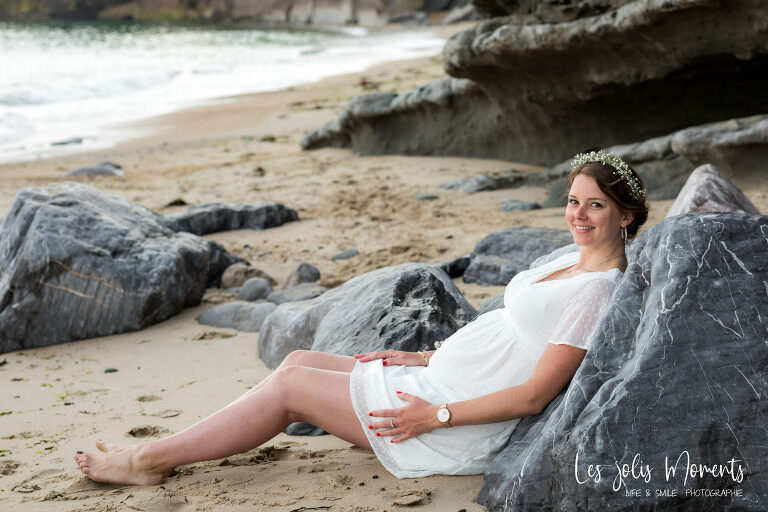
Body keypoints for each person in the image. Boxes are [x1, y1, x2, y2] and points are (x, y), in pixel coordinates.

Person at [74, 150, 649, 484]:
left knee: (291, 387)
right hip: (438, 381)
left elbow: (532, 395)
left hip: (452, 425)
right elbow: (507, 328)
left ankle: (148, 460)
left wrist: (435, 416)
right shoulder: (567, 261)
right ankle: (184, 444)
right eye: (574, 200)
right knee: (298, 358)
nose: (578, 214)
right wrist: (426, 355)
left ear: (625, 216)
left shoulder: (598, 291)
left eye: (595, 204)